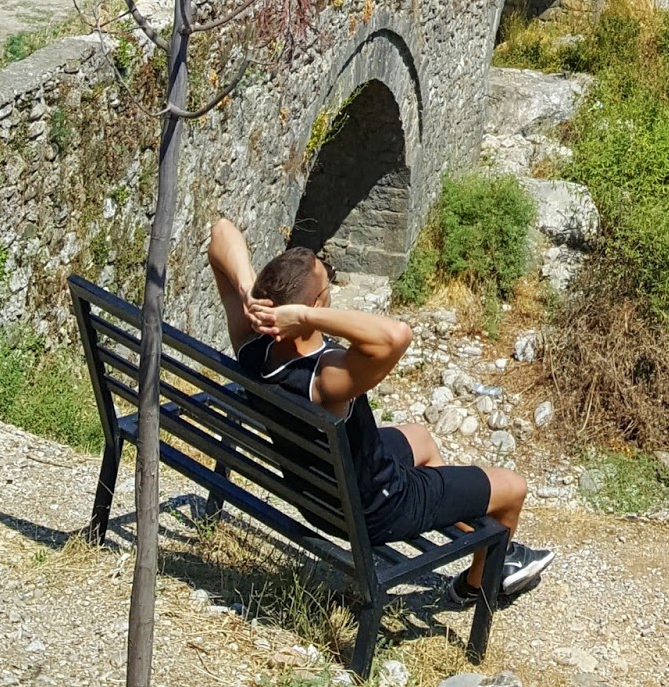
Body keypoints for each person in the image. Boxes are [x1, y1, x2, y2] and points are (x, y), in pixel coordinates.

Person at [207, 217, 553, 603]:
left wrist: (244, 291)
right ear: (315, 306)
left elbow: (221, 231)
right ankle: (474, 586)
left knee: (420, 438)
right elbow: (396, 335)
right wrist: (306, 317)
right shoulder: (326, 380)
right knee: (513, 488)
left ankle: (476, 537)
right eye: (329, 282)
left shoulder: (252, 346)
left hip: (320, 495)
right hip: (377, 508)